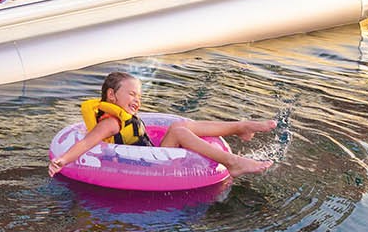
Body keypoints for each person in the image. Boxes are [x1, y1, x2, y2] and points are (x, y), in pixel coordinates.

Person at [48, 71, 275, 178]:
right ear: (112, 95)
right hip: (144, 167)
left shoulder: (123, 117)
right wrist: (62, 160)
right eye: (132, 94)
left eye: (139, 95)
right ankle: (232, 162)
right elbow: (88, 142)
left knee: (181, 125)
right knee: (178, 131)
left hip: (152, 155)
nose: (137, 100)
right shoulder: (111, 123)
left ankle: (240, 127)